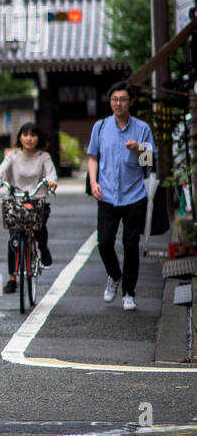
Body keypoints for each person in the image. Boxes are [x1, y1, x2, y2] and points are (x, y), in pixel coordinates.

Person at [87, 81, 155, 312]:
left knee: (130, 245)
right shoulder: (101, 126)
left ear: (131, 102)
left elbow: (148, 162)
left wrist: (139, 149)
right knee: (104, 243)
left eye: (122, 99)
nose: (118, 103)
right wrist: (94, 182)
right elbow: (93, 156)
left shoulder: (142, 129)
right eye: (114, 99)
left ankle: (129, 292)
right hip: (106, 193)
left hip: (134, 194)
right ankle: (114, 276)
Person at [0, 122, 58, 294]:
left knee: (39, 229)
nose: (29, 138)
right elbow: (0, 171)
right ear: (20, 137)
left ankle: (43, 248)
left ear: (38, 138)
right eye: (25, 134)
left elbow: (51, 174)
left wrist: (51, 182)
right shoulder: (12, 156)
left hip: (37, 201)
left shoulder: (44, 157)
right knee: (14, 239)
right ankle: (12, 278)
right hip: (16, 201)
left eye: (33, 135)